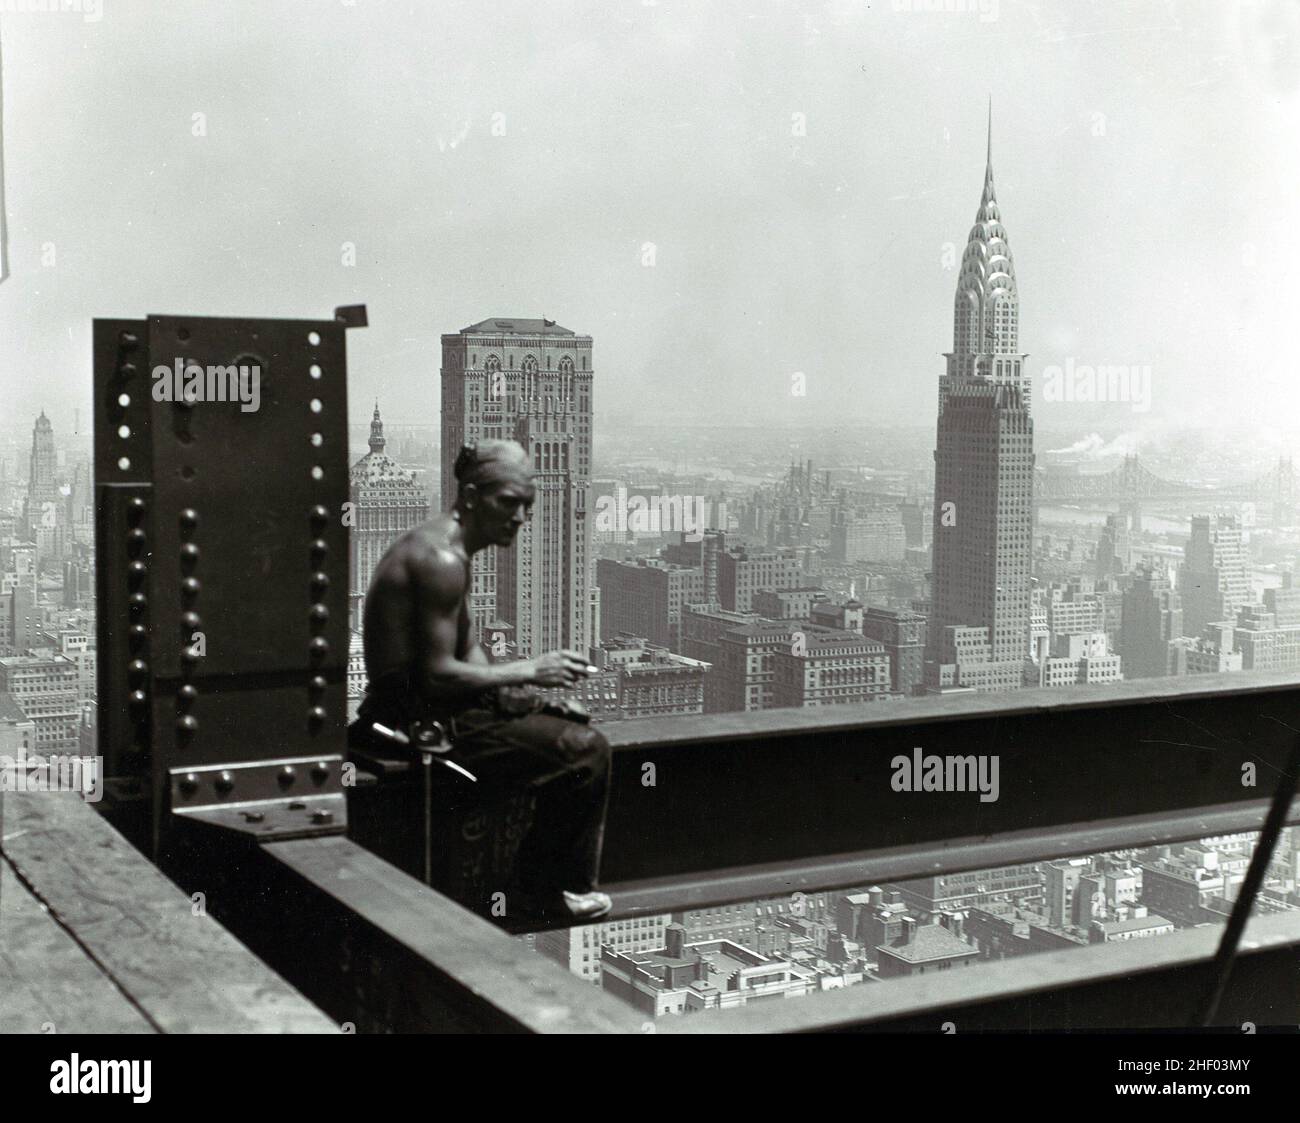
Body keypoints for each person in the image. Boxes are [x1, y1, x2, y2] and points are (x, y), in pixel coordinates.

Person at [351, 439, 613, 922]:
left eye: (527, 506)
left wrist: (522, 700)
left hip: (432, 710)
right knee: (586, 751)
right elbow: (434, 674)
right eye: (508, 503)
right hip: (413, 719)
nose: (519, 517)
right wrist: (533, 670)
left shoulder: (448, 549)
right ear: (471, 496)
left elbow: (467, 652)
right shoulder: (441, 562)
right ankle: (544, 890)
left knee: (557, 724)